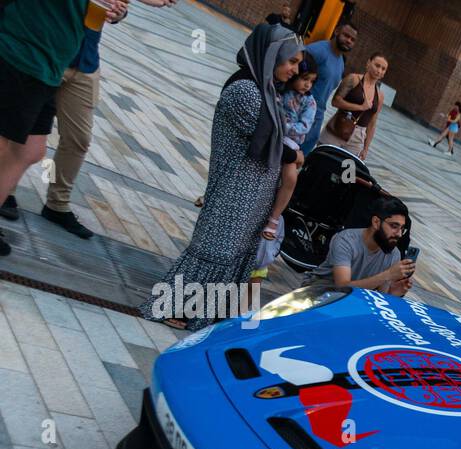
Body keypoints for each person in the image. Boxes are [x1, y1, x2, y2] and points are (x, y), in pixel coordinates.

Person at [142, 23, 303, 330]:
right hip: (234, 189)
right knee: (214, 249)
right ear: (271, 56)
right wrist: (295, 155)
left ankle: (206, 314)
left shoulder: (263, 87)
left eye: (297, 63)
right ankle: (173, 308)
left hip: (252, 192)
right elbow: (267, 141)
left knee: (233, 253)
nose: (295, 70)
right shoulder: (244, 89)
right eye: (291, 61)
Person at [0, 0, 170, 256]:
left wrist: (117, 12)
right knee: (9, 144)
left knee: (35, 150)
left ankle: (55, 204)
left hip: (60, 61)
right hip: (27, 53)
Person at [261, 52, 316, 241]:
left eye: (311, 81)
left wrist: (284, 126)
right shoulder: (281, 92)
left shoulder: (310, 102)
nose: (307, 85)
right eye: (304, 79)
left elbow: (305, 126)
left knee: (290, 179)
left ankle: (274, 218)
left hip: (291, 143)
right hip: (273, 136)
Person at [311, 196, 412, 295]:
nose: (399, 234)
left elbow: (381, 297)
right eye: (394, 226)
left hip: (353, 300)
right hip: (316, 292)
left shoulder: (394, 254)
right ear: (376, 222)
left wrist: (392, 293)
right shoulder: (346, 241)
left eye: (402, 229)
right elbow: (342, 287)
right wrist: (388, 275)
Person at [300, 21, 356, 155]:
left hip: (318, 114)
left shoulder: (341, 62)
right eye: (346, 36)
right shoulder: (316, 50)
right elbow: (296, 73)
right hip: (301, 109)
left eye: (352, 39)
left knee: (302, 156)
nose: (348, 41)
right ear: (337, 32)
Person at [319, 51, 387, 160]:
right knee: (321, 161)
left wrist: (366, 148)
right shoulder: (353, 79)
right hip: (339, 127)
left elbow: (372, 123)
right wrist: (360, 107)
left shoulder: (380, 95)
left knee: (346, 175)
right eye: (377, 65)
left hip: (357, 138)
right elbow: (335, 101)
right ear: (369, 63)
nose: (379, 70)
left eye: (383, 69)